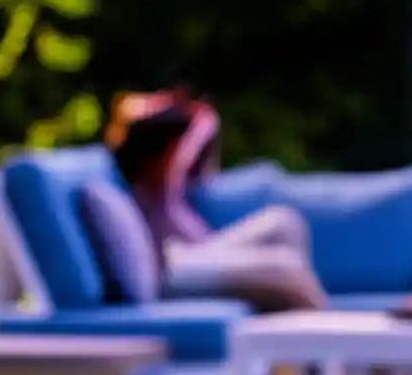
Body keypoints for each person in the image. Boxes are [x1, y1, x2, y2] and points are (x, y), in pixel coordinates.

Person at [108, 90, 326, 312]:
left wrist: (202, 120)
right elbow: (138, 128)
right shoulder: (150, 189)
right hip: (174, 267)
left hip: (198, 252)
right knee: (285, 268)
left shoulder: (174, 187)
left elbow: (206, 144)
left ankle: (288, 321)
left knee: (284, 222)